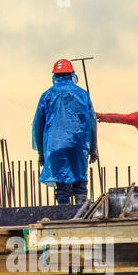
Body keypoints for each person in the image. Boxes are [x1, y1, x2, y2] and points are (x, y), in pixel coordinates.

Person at [32, 59, 98, 206]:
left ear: (55, 76)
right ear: (72, 74)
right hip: (78, 144)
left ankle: (64, 212)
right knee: (80, 179)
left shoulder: (47, 95)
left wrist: (41, 153)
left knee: (62, 183)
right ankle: (81, 211)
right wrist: (93, 148)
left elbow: (38, 125)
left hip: (55, 146)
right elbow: (92, 122)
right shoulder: (82, 94)